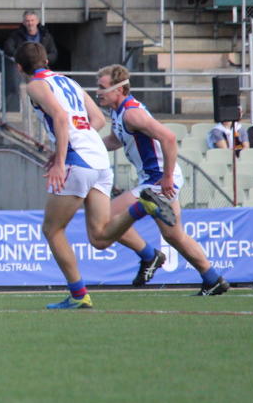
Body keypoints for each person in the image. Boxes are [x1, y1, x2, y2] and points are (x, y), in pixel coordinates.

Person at [94, 65, 230, 296]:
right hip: (155, 178)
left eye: (102, 88)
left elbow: (169, 137)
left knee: (106, 220)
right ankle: (212, 278)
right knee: (173, 235)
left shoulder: (131, 113)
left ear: (119, 90)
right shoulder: (119, 112)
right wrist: (85, 149)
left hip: (157, 180)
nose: (98, 92)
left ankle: (149, 256)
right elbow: (114, 141)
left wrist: (166, 177)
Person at [15, 42, 111, 309]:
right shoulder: (69, 82)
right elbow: (99, 120)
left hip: (76, 160)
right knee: (101, 235)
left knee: (52, 229)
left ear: (19, 67)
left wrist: (61, 158)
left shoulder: (35, 85)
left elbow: (59, 116)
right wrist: (68, 144)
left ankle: (79, 295)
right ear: (46, 60)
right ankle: (140, 213)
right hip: (100, 158)